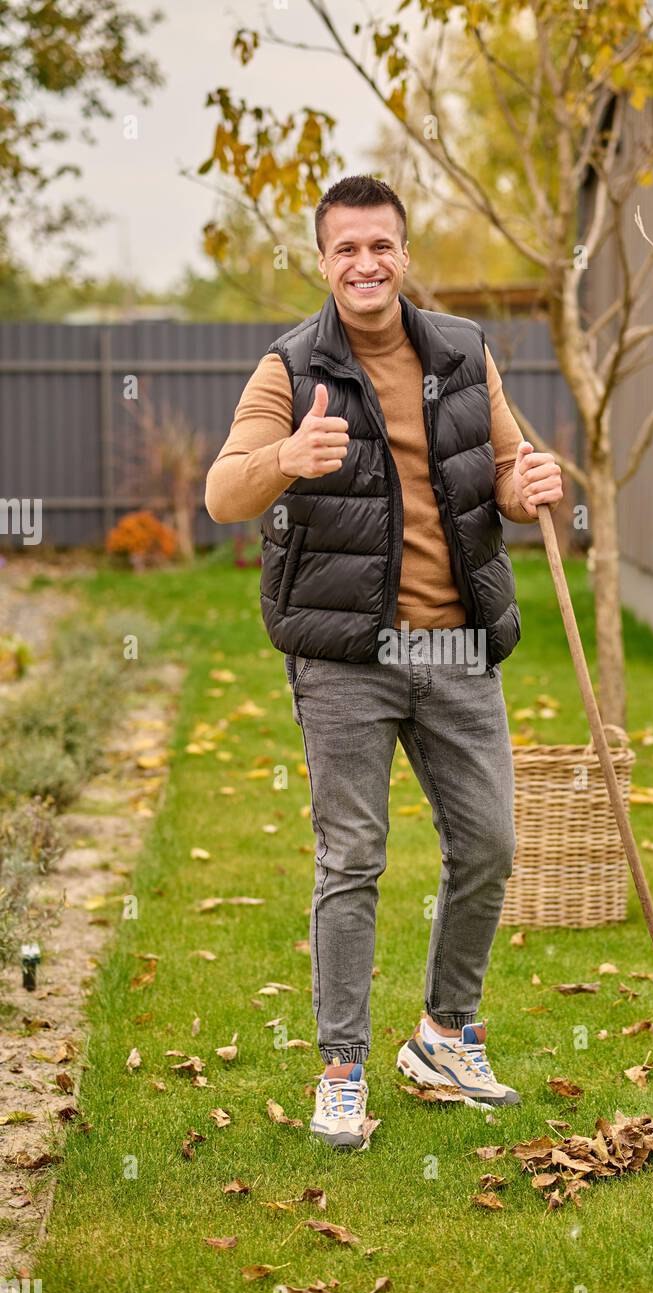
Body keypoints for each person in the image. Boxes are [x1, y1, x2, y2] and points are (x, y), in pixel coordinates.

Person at [205, 174, 563, 1148]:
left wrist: (536, 482)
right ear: (323, 262)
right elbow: (220, 493)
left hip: (456, 644)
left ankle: (445, 1034)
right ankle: (341, 1067)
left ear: (404, 254)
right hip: (346, 659)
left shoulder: (462, 350)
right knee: (353, 858)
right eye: (346, 249)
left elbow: (512, 468)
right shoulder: (290, 368)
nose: (366, 263)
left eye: (382, 246)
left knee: (489, 845)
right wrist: (287, 459)